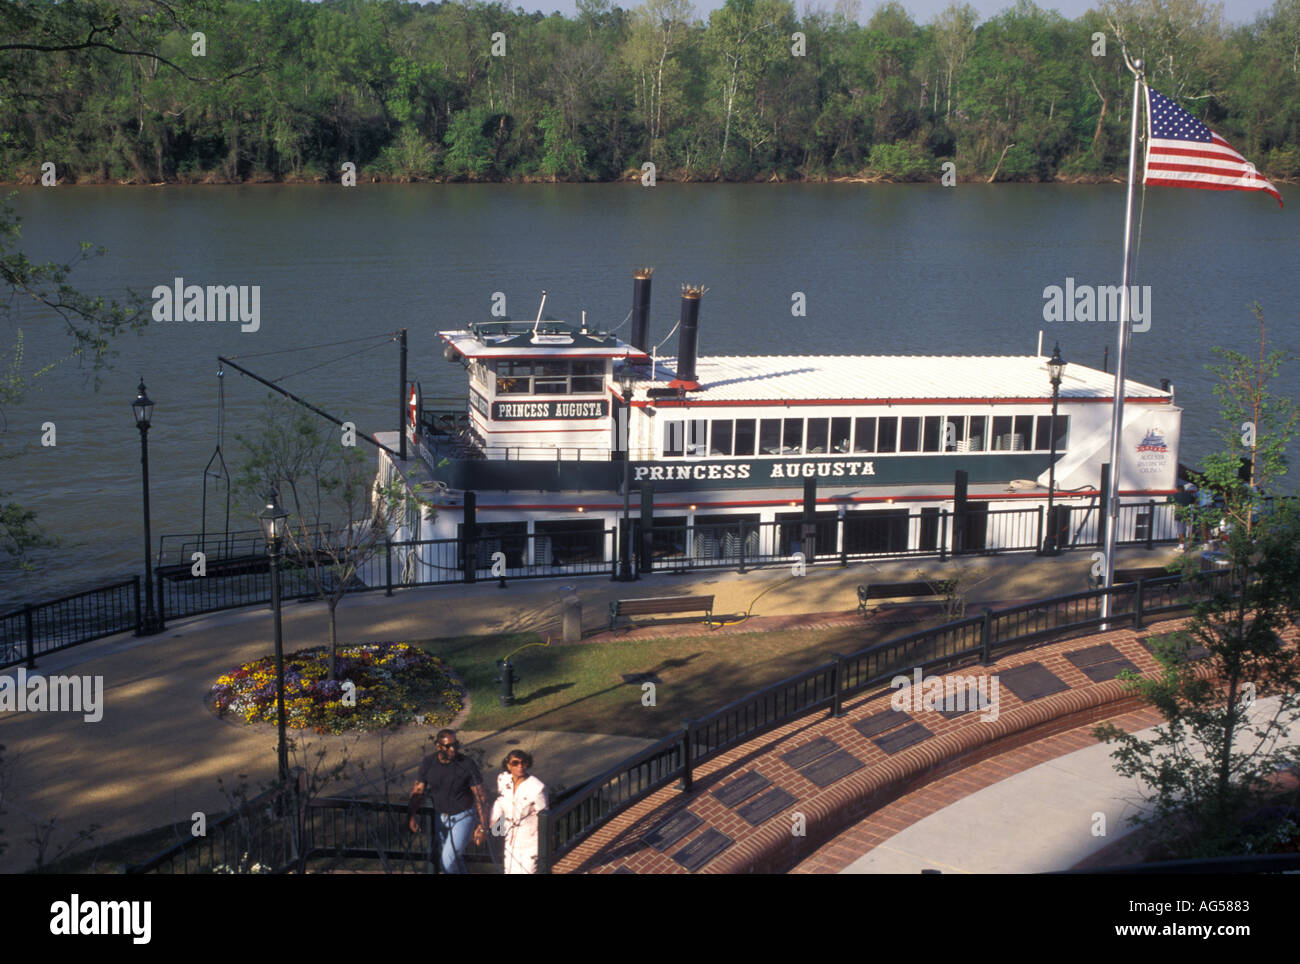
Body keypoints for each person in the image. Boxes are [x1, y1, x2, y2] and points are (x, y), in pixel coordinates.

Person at [408, 729, 491, 874]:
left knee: (447, 860)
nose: (453, 749)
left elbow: (480, 797)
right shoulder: (428, 762)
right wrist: (411, 816)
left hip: (463, 817)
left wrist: (483, 826)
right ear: (438, 746)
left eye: (455, 745)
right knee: (455, 860)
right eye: (448, 746)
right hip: (440, 817)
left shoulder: (466, 764)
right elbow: (418, 791)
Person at [489, 750, 548, 874]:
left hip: (530, 841)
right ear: (508, 765)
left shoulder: (537, 787)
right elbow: (500, 801)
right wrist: (492, 822)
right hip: (510, 837)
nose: (520, 766)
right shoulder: (503, 779)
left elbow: (544, 816)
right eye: (515, 763)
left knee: (527, 871)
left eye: (524, 763)